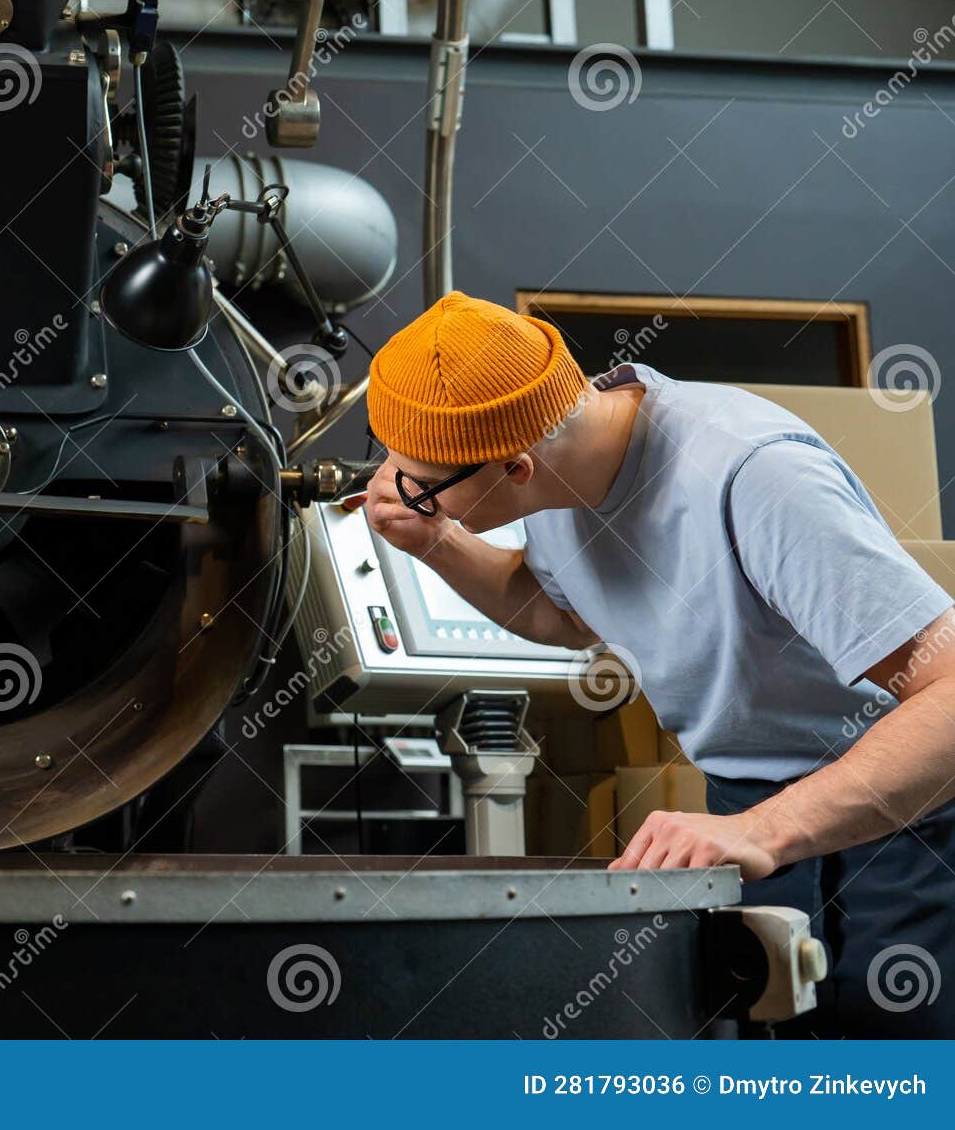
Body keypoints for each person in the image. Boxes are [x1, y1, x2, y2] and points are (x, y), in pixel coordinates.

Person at [360, 291, 955, 1036]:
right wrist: (437, 542)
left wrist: (770, 830)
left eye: (423, 486)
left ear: (514, 467)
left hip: (903, 819)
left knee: (890, 1079)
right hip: (755, 810)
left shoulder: (753, 477)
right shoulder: (559, 462)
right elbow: (565, 614)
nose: (400, 490)